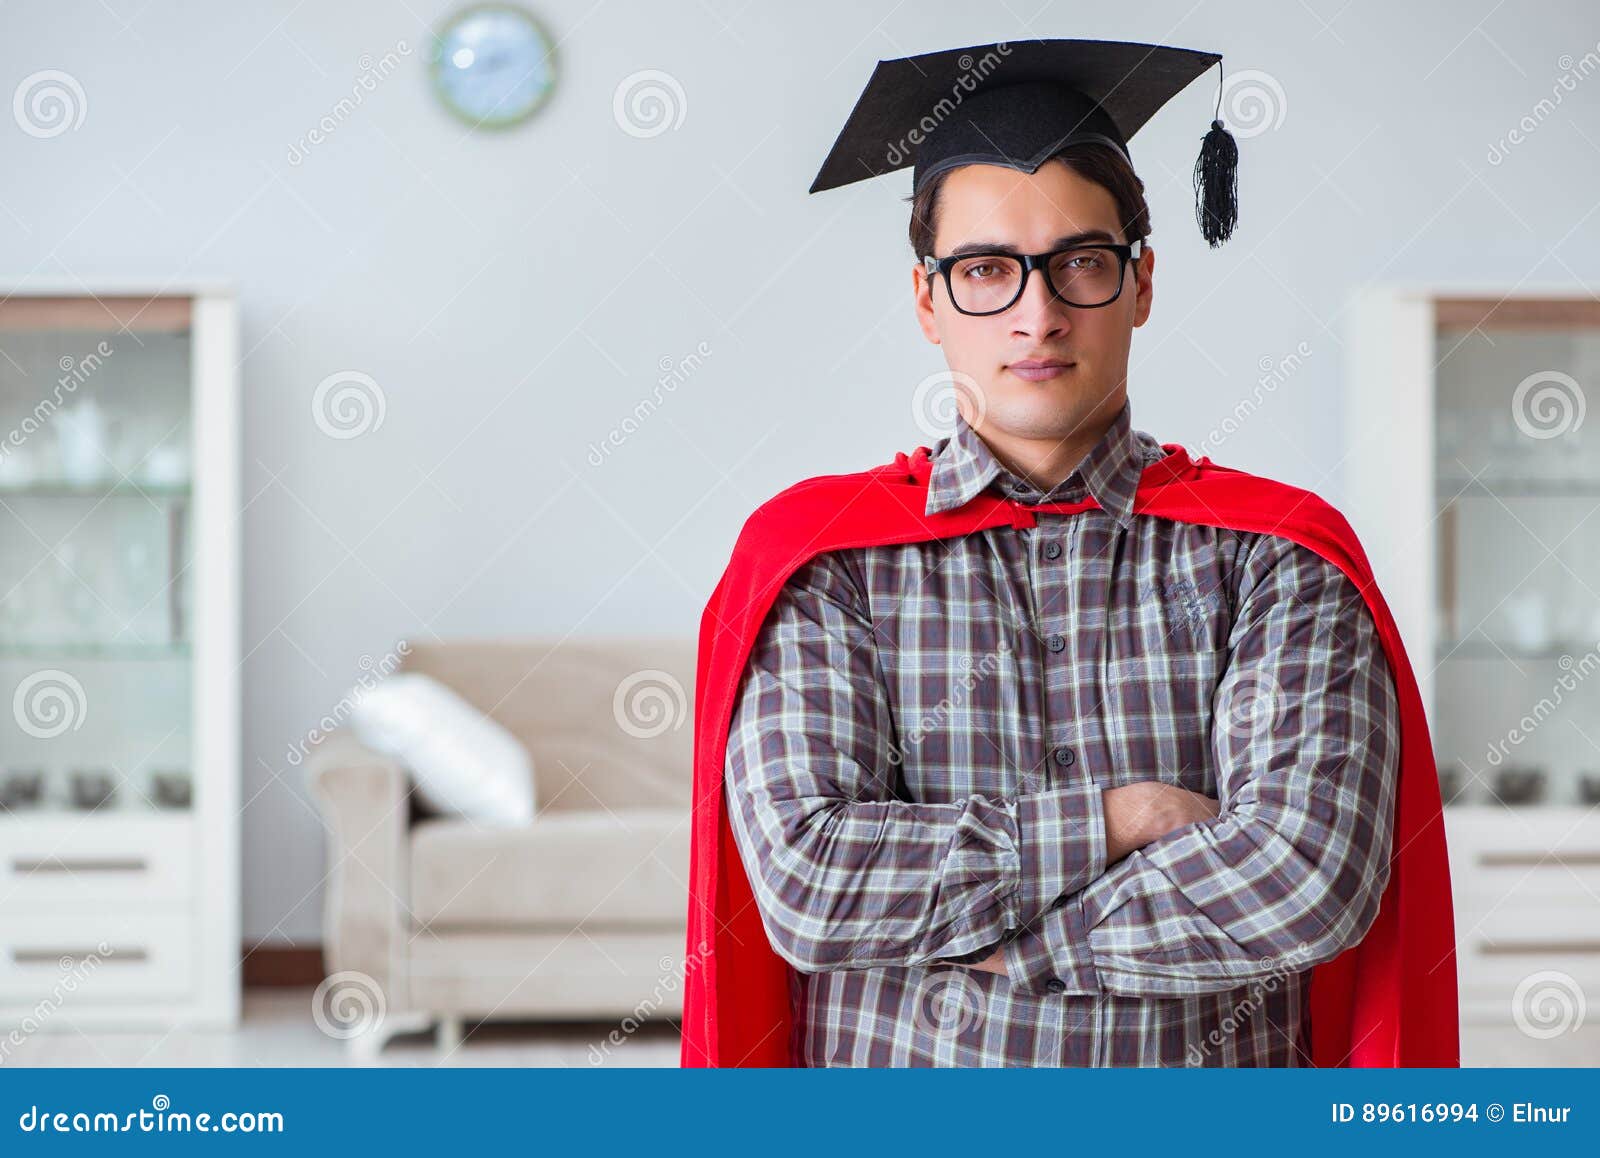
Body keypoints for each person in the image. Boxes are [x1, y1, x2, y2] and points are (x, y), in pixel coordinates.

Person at [681, 39, 1458, 1068]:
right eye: (986, 271)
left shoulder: (1272, 558)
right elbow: (811, 888)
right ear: (928, 303)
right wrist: (1121, 818)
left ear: (1139, 284)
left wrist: (1033, 951)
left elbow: (1307, 874)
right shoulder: (825, 564)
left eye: (1080, 263)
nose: (1036, 315)